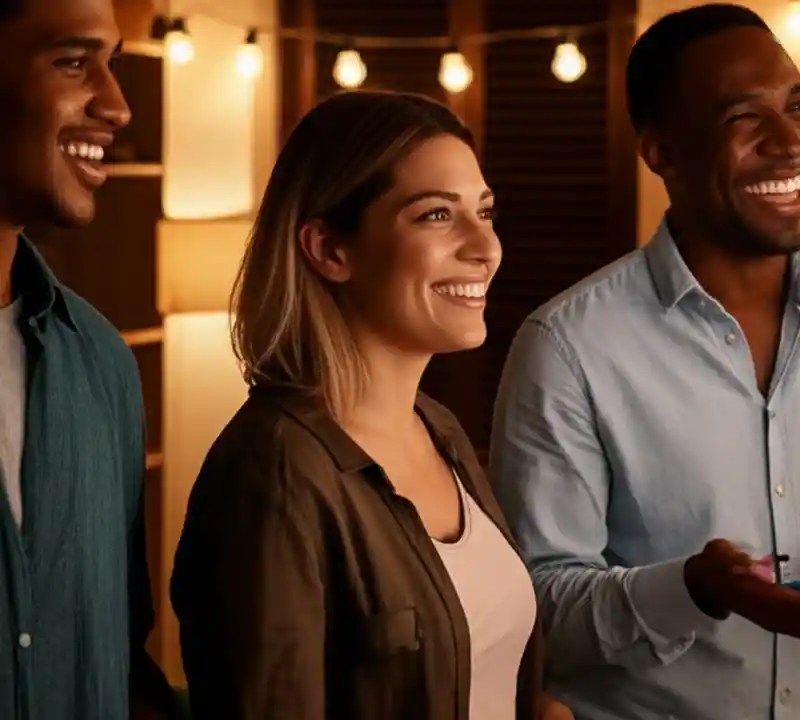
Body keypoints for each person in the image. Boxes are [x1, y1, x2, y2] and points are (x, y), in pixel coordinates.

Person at [489, 5, 800, 718]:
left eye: (799, 106)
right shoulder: (568, 347)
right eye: (744, 118)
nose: (792, 140)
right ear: (661, 151)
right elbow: (539, 607)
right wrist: (697, 589)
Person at [170, 91, 570, 720]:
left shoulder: (439, 430)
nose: (485, 247)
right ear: (330, 250)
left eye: (485, 213)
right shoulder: (274, 472)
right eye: (437, 215)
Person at [0, 0, 176, 718]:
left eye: (115, 64)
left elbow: (124, 662)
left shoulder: (101, 364)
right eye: (74, 63)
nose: (118, 105)